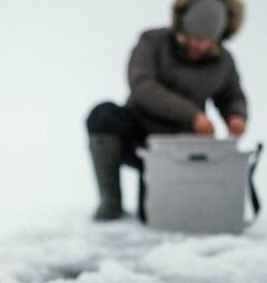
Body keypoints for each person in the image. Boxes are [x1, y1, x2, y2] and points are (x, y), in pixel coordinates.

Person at [85, 0, 247, 221]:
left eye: (208, 40)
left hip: (180, 147)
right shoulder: (152, 42)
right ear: (184, 27)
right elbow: (142, 85)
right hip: (139, 135)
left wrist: (236, 115)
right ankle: (111, 204)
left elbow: (232, 95)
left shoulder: (224, 62)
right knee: (102, 116)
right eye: (197, 38)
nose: (201, 45)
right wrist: (193, 115)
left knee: (155, 216)